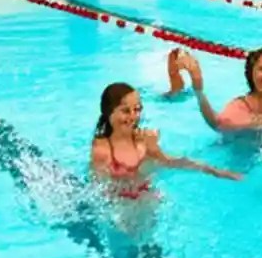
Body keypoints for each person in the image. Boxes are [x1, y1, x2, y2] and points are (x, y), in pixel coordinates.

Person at [91, 82, 241, 200]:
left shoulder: (143, 140)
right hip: (121, 207)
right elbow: (100, 193)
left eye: (137, 109)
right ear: (108, 112)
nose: (133, 116)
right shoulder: (102, 150)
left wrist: (214, 171)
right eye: (125, 111)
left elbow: (169, 162)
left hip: (147, 200)